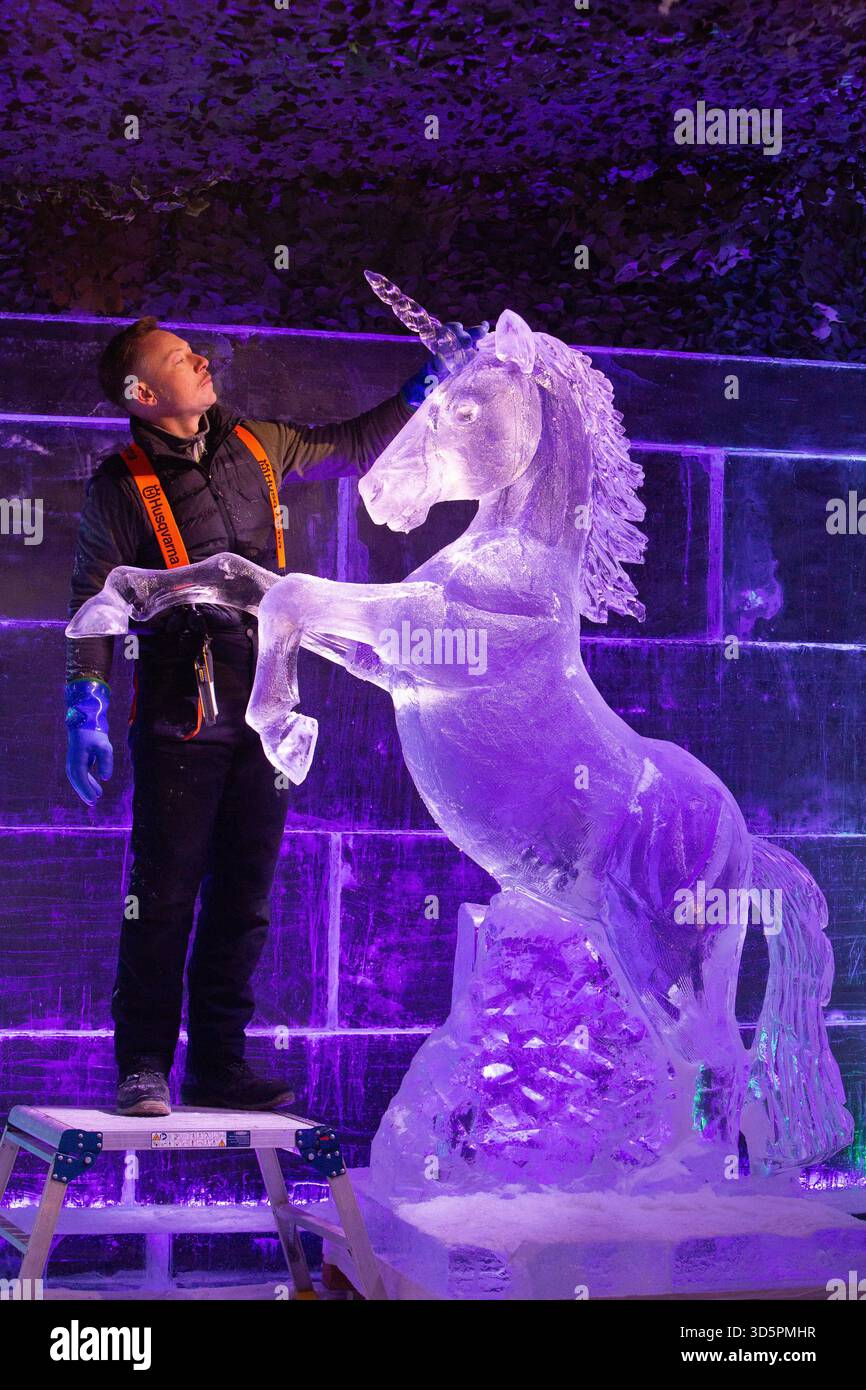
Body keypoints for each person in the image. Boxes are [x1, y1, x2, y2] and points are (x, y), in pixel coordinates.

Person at [65, 314, 484, 1117]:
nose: (201, 358)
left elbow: (357, 441)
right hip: (180, 707)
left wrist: (432, 381)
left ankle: (218, 1064)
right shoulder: (117, 485)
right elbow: (93, 598)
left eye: (195, 350)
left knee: (245, 895)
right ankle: (144, 1066)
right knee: (163, 894)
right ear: (142, 393)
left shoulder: (256, 442)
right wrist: (83, 703)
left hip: (267, 697)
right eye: (178, 359)